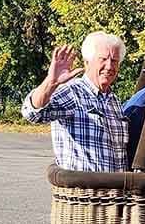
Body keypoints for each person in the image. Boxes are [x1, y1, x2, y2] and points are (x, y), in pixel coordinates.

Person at [21, 32, 128, 172]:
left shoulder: (113, 100)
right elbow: (31, 113)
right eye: (103, 59)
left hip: (113, 192)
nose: (109, 66)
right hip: (82, 191)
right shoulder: (73, 92)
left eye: (114, 61)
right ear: (87, 62)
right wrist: (50, 83)